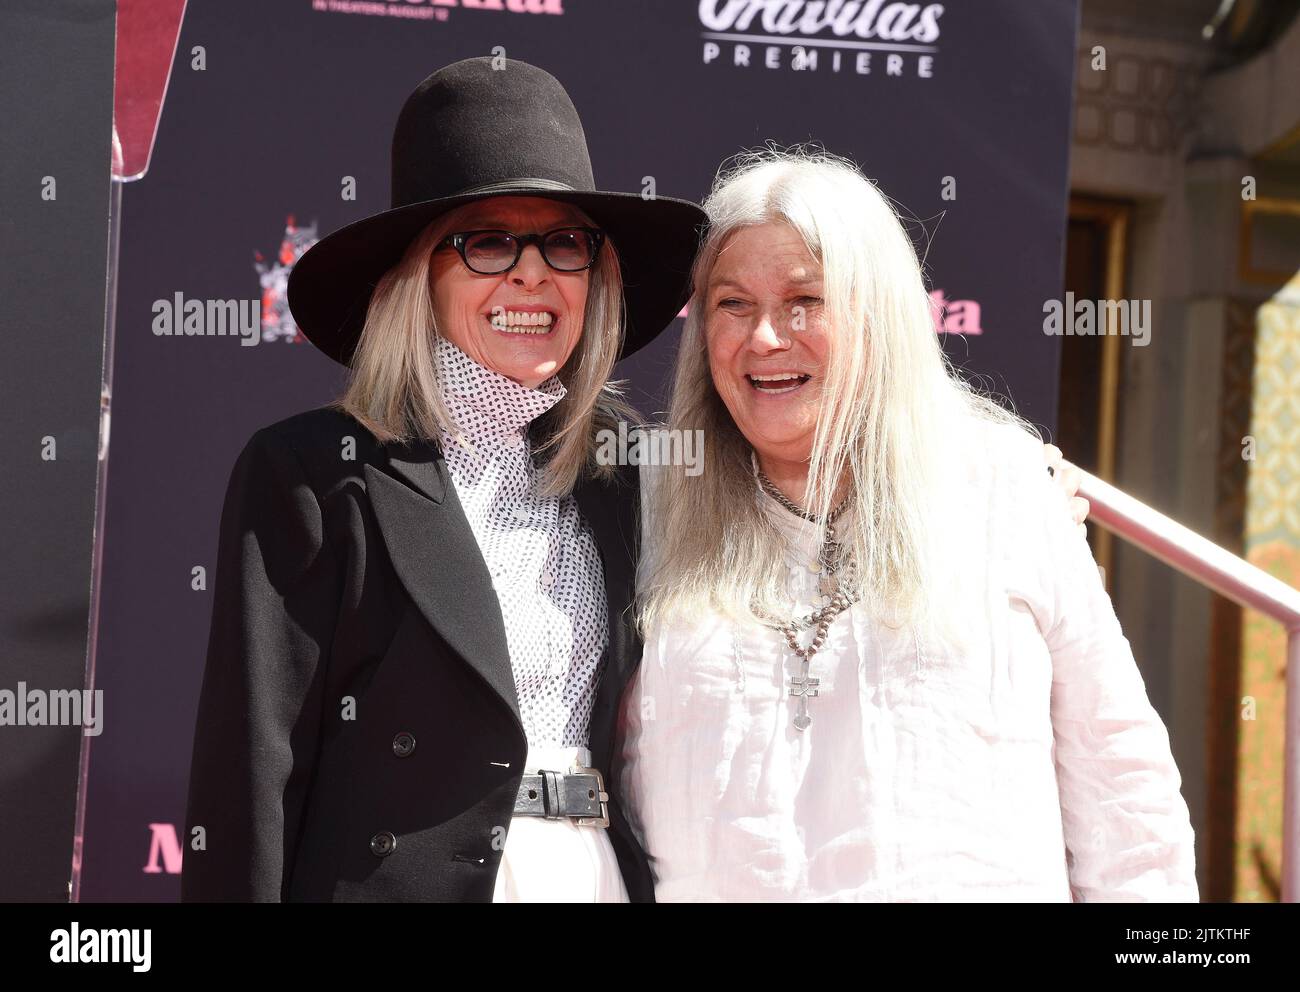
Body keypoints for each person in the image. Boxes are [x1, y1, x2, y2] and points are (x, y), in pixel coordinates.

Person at [180, 57, 705, 902]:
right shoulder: (312, 475)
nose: (531, 273)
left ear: (594, 279)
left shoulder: (625, 476)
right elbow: (251, 779)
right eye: (489, 241)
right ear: (418, 275)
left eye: (564, 243)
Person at [618, 147, 1198, 901]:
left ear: (879, 315)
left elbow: (1123, 788)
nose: (764, 338)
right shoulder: (647, 505)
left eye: (806, 301)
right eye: (732, 304)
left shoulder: (1000, 490)